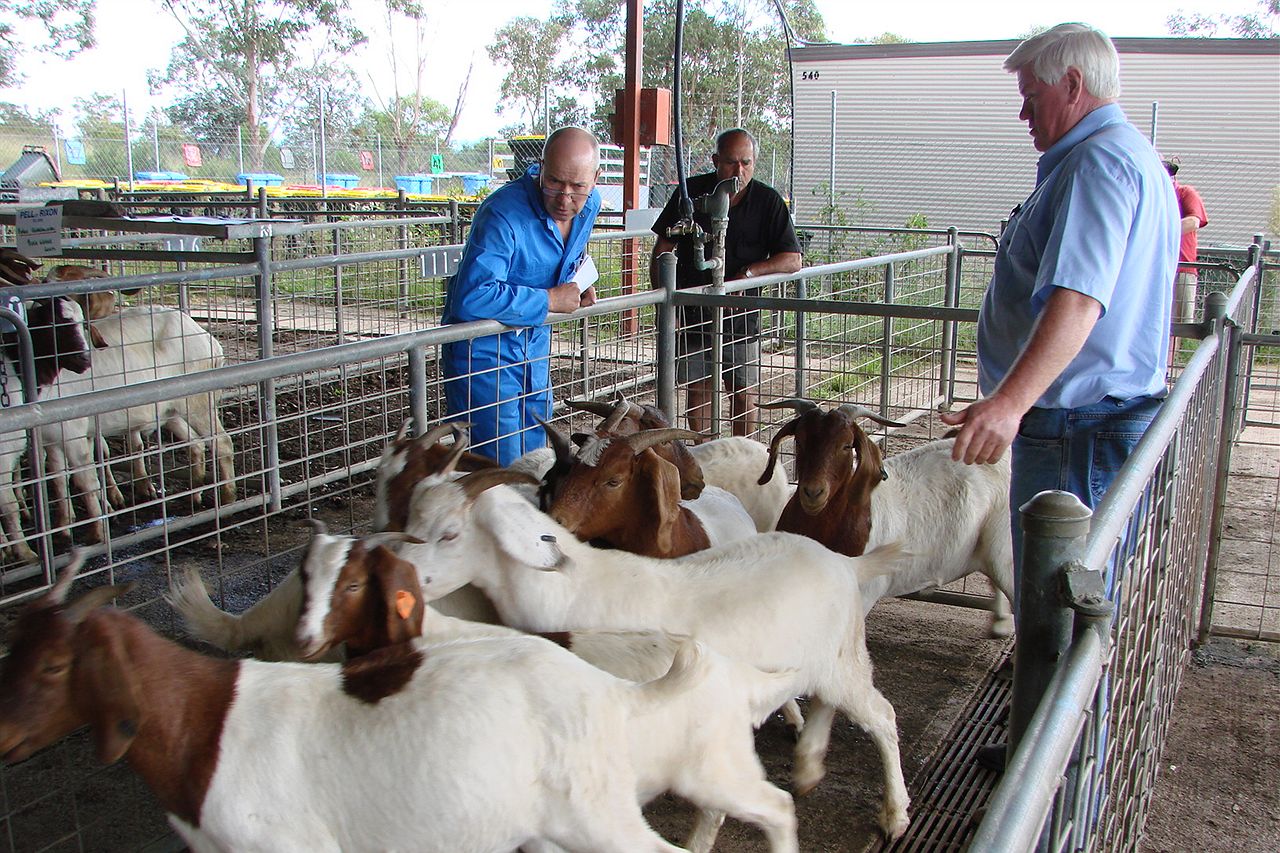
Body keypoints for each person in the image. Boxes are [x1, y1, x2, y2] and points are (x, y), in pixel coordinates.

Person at [938, 24, 1179, 767]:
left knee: (1065, 617)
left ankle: (1058, 788)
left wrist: (1007, 404)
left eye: (1031, 96)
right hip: (1088, 423)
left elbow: (1078, 301)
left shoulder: (1097, 166)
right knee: (1065, 613)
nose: (1025, 114)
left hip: (1077, 429)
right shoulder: (1120, 157)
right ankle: (1040, 758)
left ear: (1073, 86)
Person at [441, 127, 602, 464]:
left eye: (578, 188)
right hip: (485, 356)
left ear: (595, 179)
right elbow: (472, 296)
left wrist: (578, 279)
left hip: (535, 348)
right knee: (498, 467)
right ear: (540, 166)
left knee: (535, 459)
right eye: (555, 182)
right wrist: (549, 300)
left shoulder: (590, 206)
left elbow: (569, 253)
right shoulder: (503, 213)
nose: (565, 199)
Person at [650, 128, 802, 436]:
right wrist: (665, 303)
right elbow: (663, 248)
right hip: (693, 312)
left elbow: (792, 259)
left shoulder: (768, 201)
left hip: (740, 314)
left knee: (743, 390)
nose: (739, 171)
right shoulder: (691, 194)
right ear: (716, 161)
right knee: (699, 389)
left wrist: (747, 275)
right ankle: (706, 454)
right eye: (732, 162)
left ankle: (742, 454)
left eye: (746, 162)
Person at [1164, 158, 1209, 324]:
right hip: (1156, 267)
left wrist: (1160, 231)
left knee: (1180, 322)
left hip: (1181, 268)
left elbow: (1193, 222)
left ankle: (1175, 351)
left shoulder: (1185, 193)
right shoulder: (1153, 197)